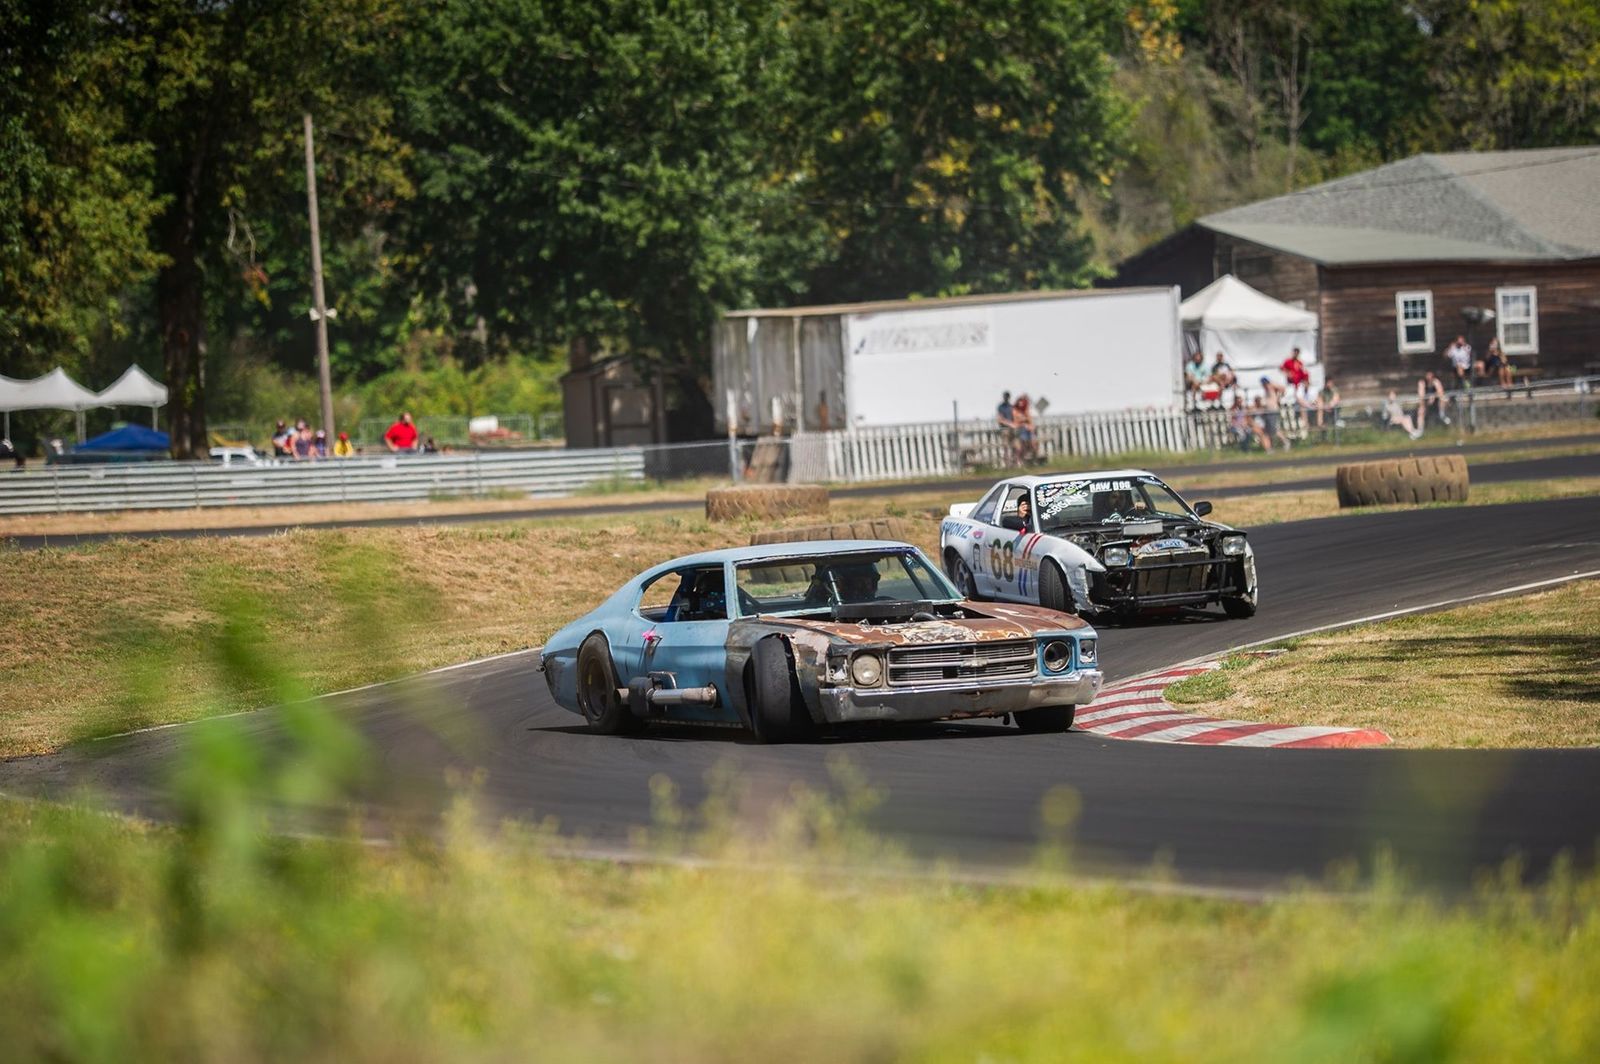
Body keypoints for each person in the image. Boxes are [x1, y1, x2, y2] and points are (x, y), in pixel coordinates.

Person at [1258, 377, 1291, 450]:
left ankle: (1285, 442)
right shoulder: (1267, 389)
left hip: (1272, 410)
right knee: (1268, 430)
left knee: (1274, 429)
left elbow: (1282, 388)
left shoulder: (1271, 385)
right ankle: (1270, 447)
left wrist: (1279, 397)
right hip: (1268, 411)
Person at [1011, 394, 1037, 463]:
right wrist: (1024, 422)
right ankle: (1020, 460)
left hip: (1027, 430)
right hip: (1019, 430)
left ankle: (1032, 459)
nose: (1021, 403)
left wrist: (1030, 426)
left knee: (1033, 443)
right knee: (1021, 446)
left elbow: (1030, 420)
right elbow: (1017, 421)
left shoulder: (1026, 410)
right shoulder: (1015, 410)